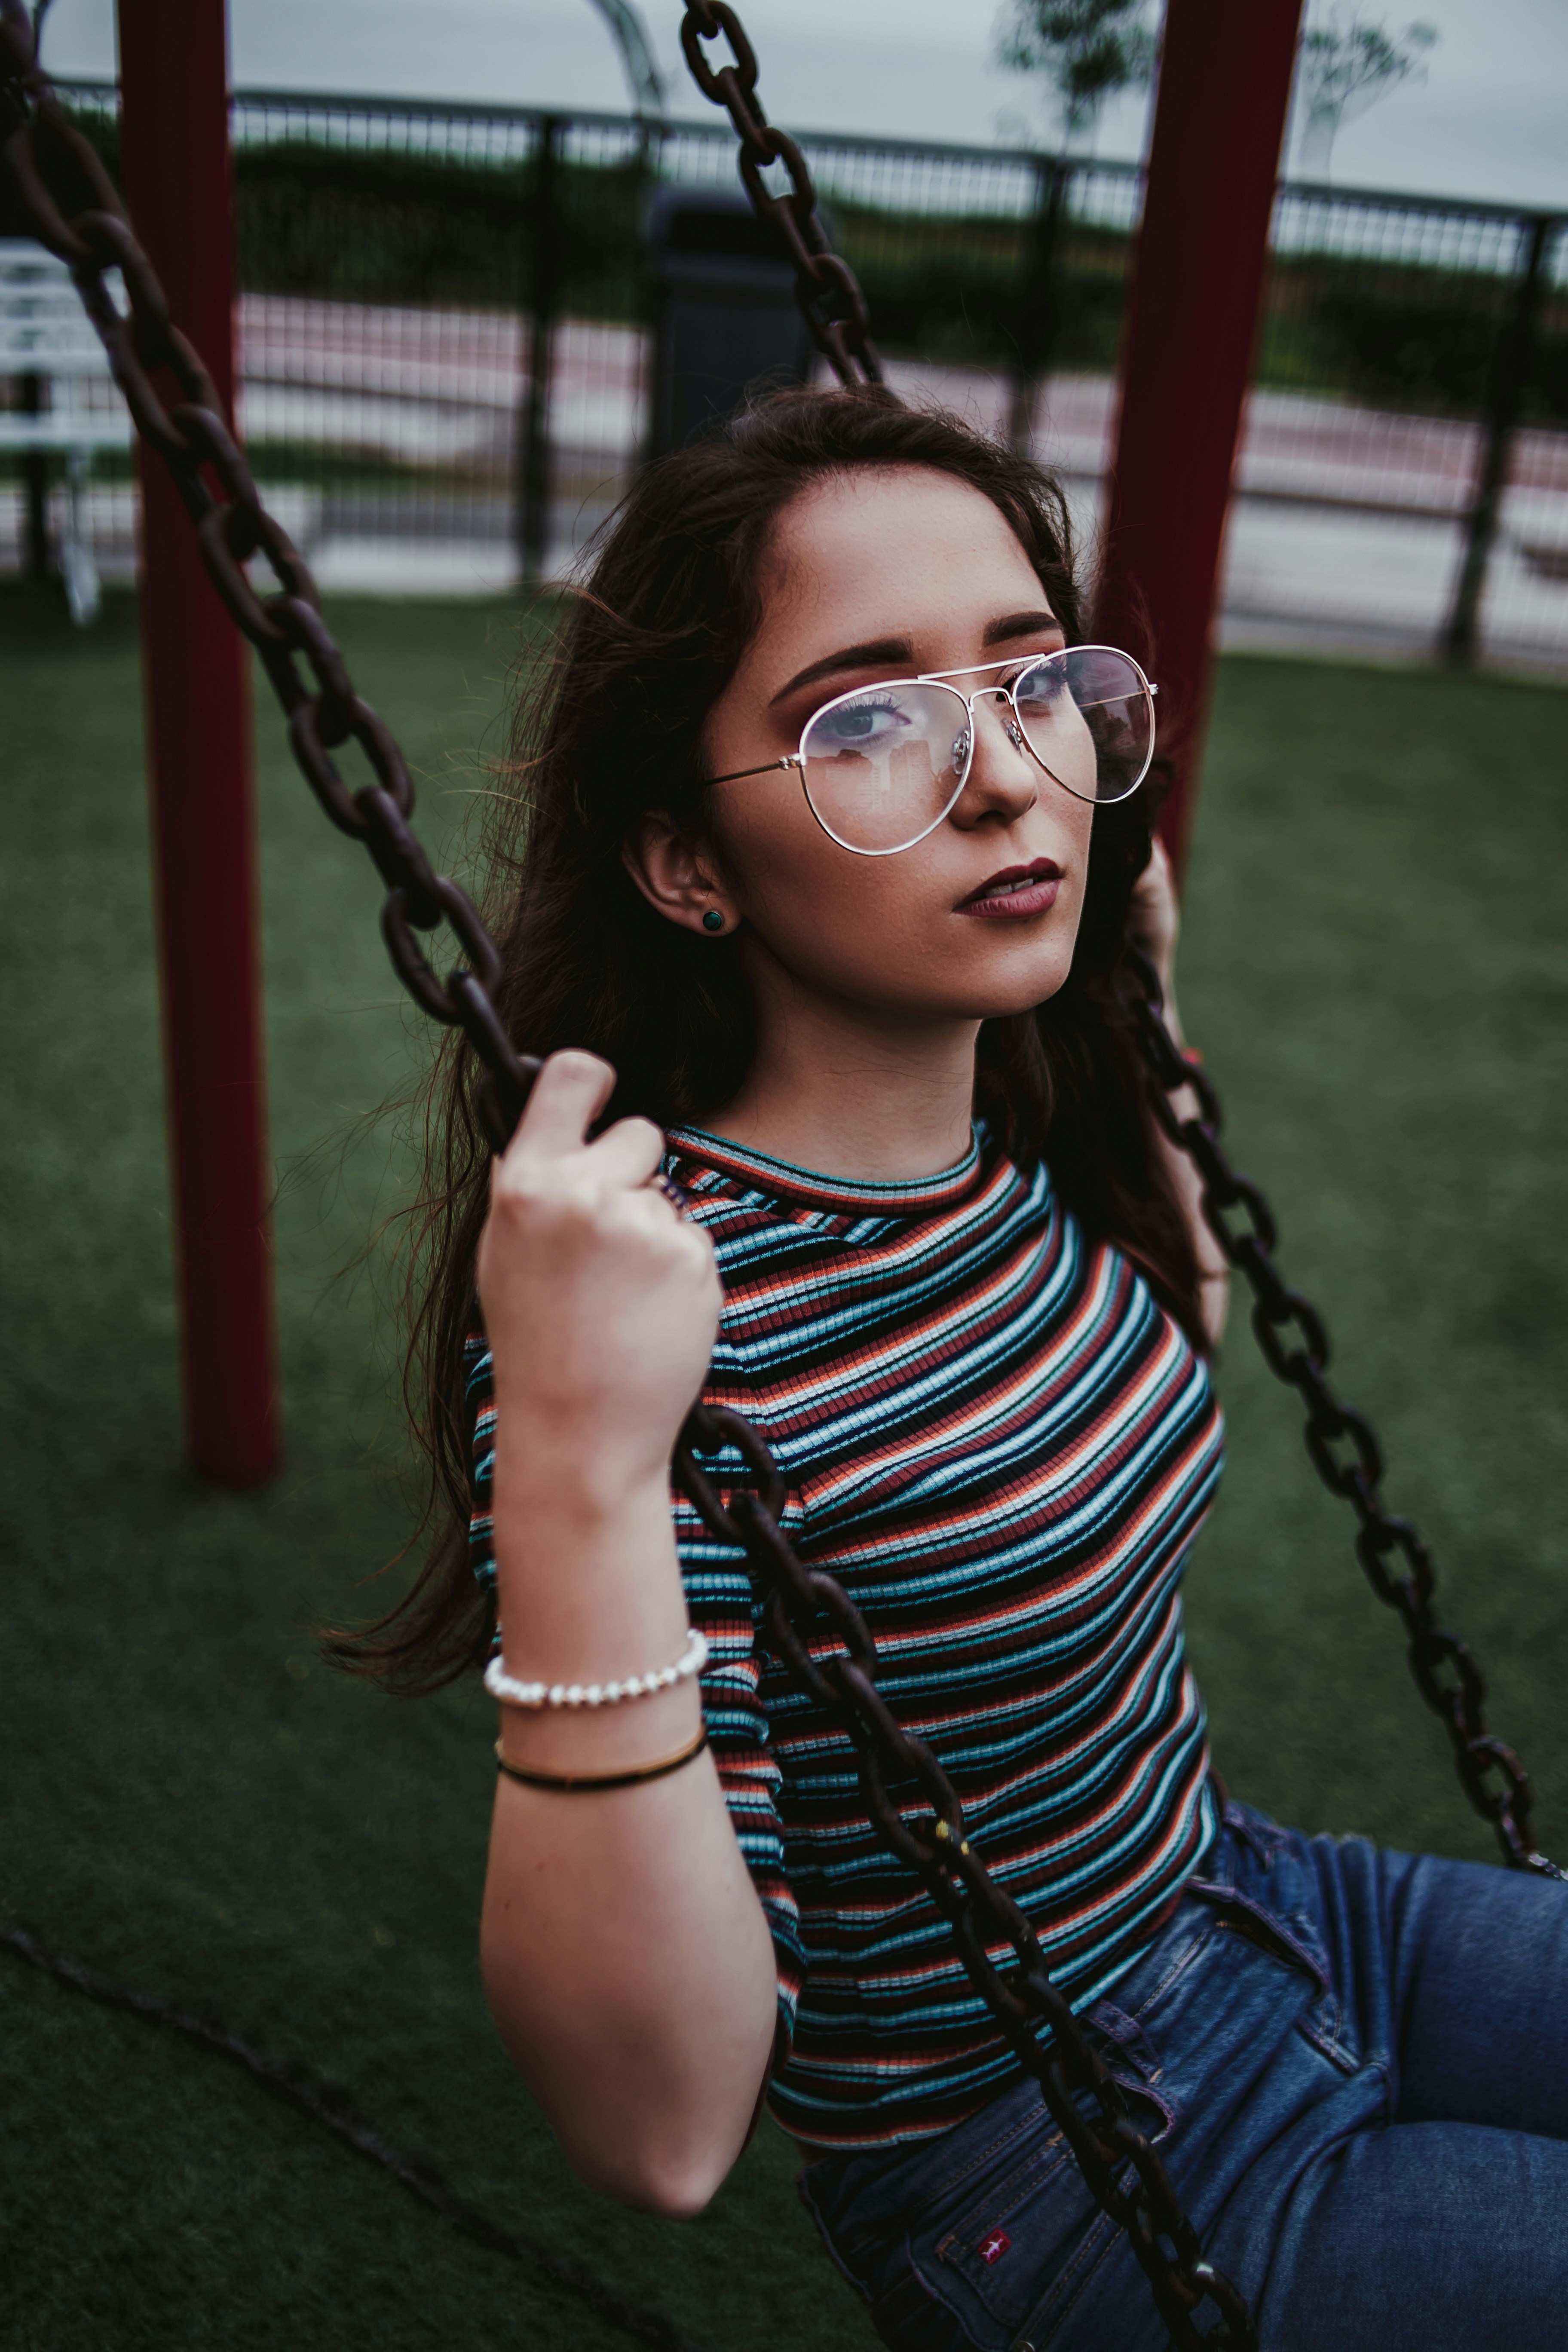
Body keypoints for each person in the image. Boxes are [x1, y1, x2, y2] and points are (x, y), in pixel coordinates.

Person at [348, 386, 1568, 2351]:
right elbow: (660, 2128)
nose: (1008, 779)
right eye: (866, 721)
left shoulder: (1008, 1146)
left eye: (1031, 682)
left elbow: (1157, 1356)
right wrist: (575, 1453)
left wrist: (1142, 1007)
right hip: (1059, 2166)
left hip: (1272, 1909)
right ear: (686, 862)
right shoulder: (650, 1324)